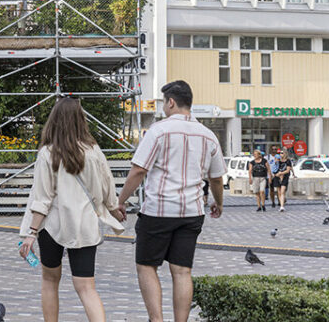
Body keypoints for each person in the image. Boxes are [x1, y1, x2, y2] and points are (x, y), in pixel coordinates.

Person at [116, 80, 225, 322]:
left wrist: (121, 200)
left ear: (171, 102)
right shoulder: (208, 135)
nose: (164, 108)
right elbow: (216, 178)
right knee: (183, 271)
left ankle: (156, 320)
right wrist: (218, 202)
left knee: (146, 266)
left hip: (159, 211)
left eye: (164, 103)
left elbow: (138, 171)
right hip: (192, 212)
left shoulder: (159, 130)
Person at [18, 96, 123, 322]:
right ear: (80, 120)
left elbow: (42, 198)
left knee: (49, 281)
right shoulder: (94, 151)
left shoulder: (47, 153)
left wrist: (31, 233)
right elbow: (107, 187)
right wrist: (114, 209)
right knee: (86, 287)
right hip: (85, 226)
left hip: (53, 227)